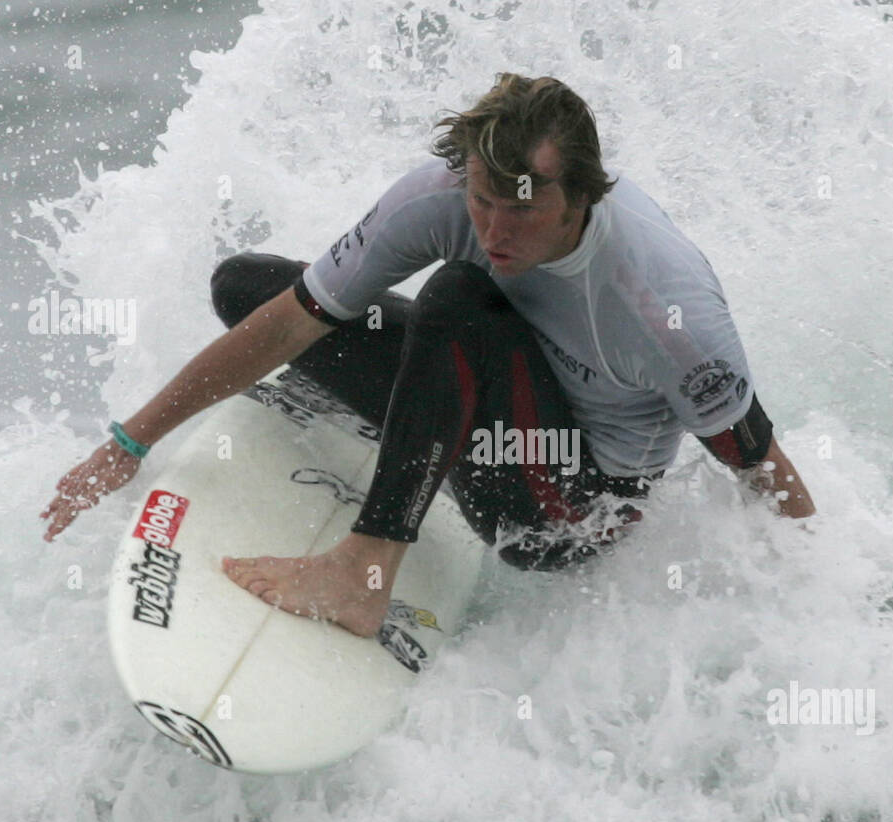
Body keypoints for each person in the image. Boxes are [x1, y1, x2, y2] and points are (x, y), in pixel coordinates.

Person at [41, 72, 814, 638]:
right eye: (480, 198)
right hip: (491, 398)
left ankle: (362, 573)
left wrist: (815, 611)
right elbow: (285, 328)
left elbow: (757, 460)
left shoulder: (664, 309)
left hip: (570, 507)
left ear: (583, 199)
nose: (493, 230)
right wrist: (130, 441)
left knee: (454, 296)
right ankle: (419, 444)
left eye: (521, 208)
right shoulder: (441, 200)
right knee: (247, 288)